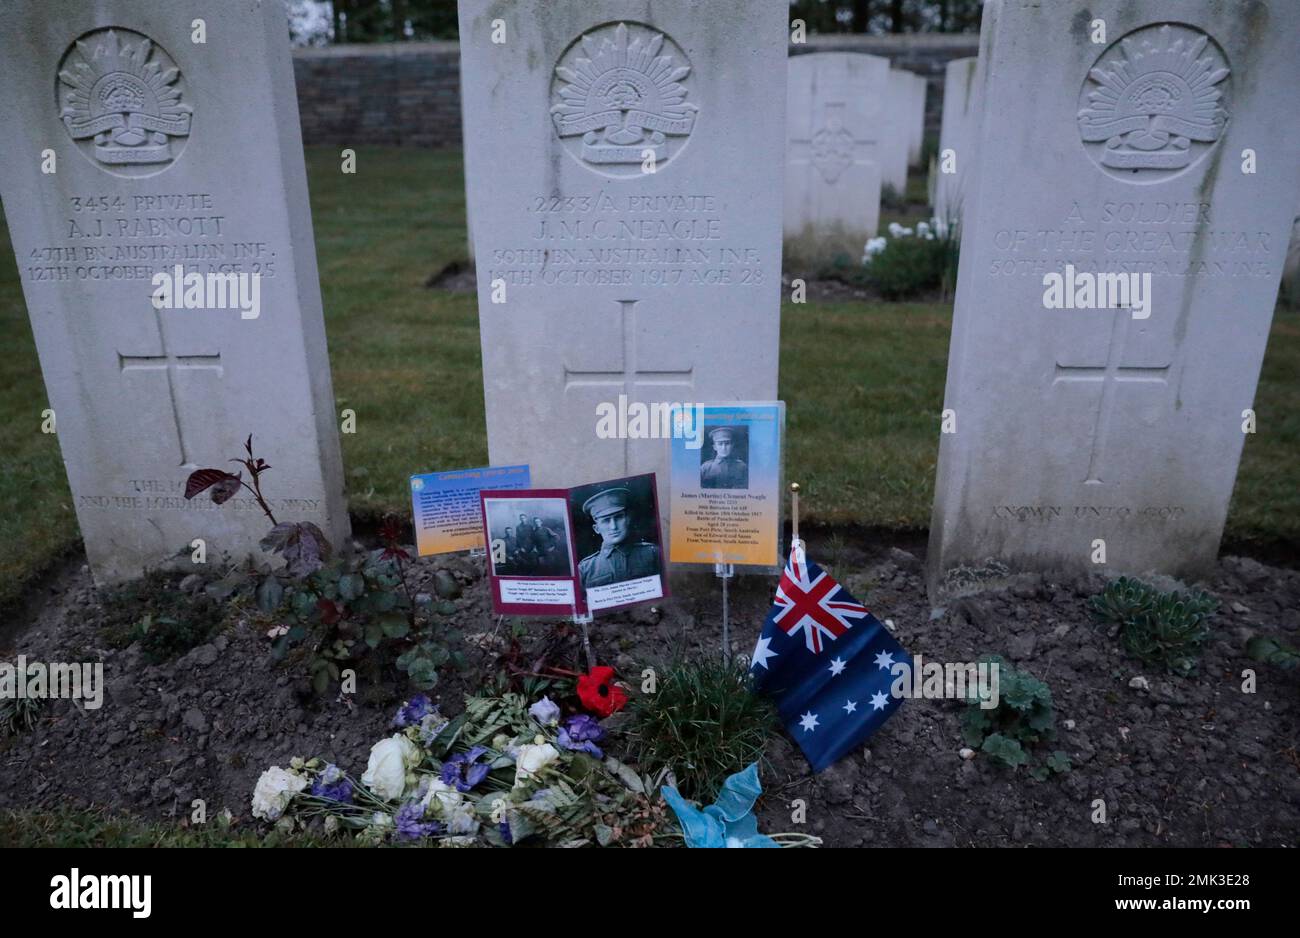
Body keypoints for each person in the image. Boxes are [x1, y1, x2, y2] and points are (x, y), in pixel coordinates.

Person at [577, 487, 660, 588]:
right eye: (606, 520)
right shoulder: (585, 568)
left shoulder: (652, 553)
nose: (613, 527)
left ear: (628, 520)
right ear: (596, 529)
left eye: (619, 517)